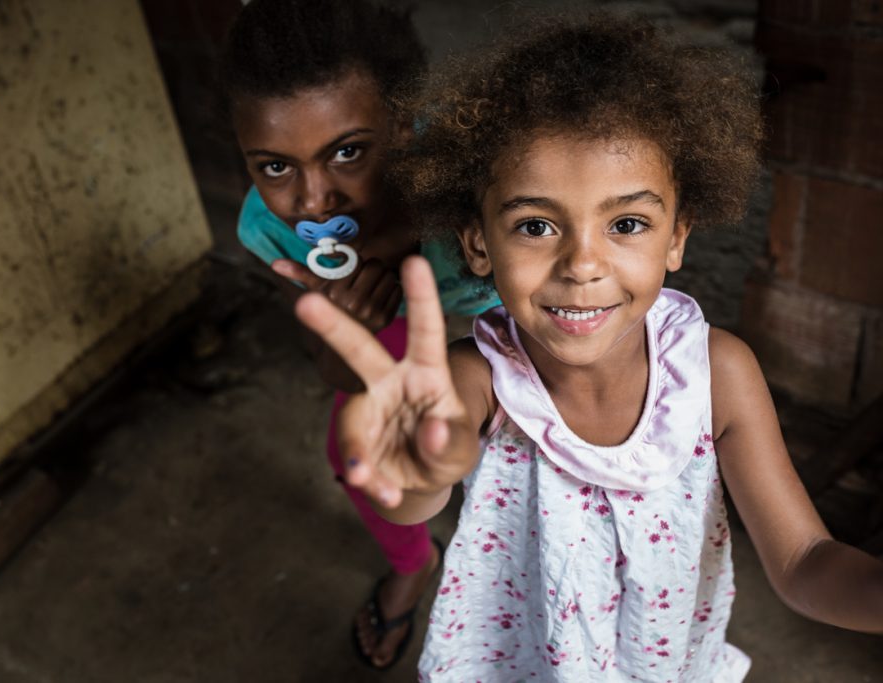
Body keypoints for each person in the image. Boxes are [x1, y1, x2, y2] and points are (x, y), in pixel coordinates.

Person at [294, 12, 883, 681]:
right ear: (478, 242)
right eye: (537, 224)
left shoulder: (718, 373)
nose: (582, 263)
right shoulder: (478, 379)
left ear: (677, 237)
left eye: (626, 223)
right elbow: (417, 492)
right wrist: (420, 475)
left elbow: (804, 560)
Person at [219, 0, 500, 669]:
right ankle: (415, 561)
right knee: (364, 457)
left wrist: (418, 231)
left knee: (530, 465)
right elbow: (338, 368)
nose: (314, 200)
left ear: (403, 125)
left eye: (346, 152)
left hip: (508, 308)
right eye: (274, 166)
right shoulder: (274, 229)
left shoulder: (473, 166)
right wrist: (350, 325)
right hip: (393, 329)